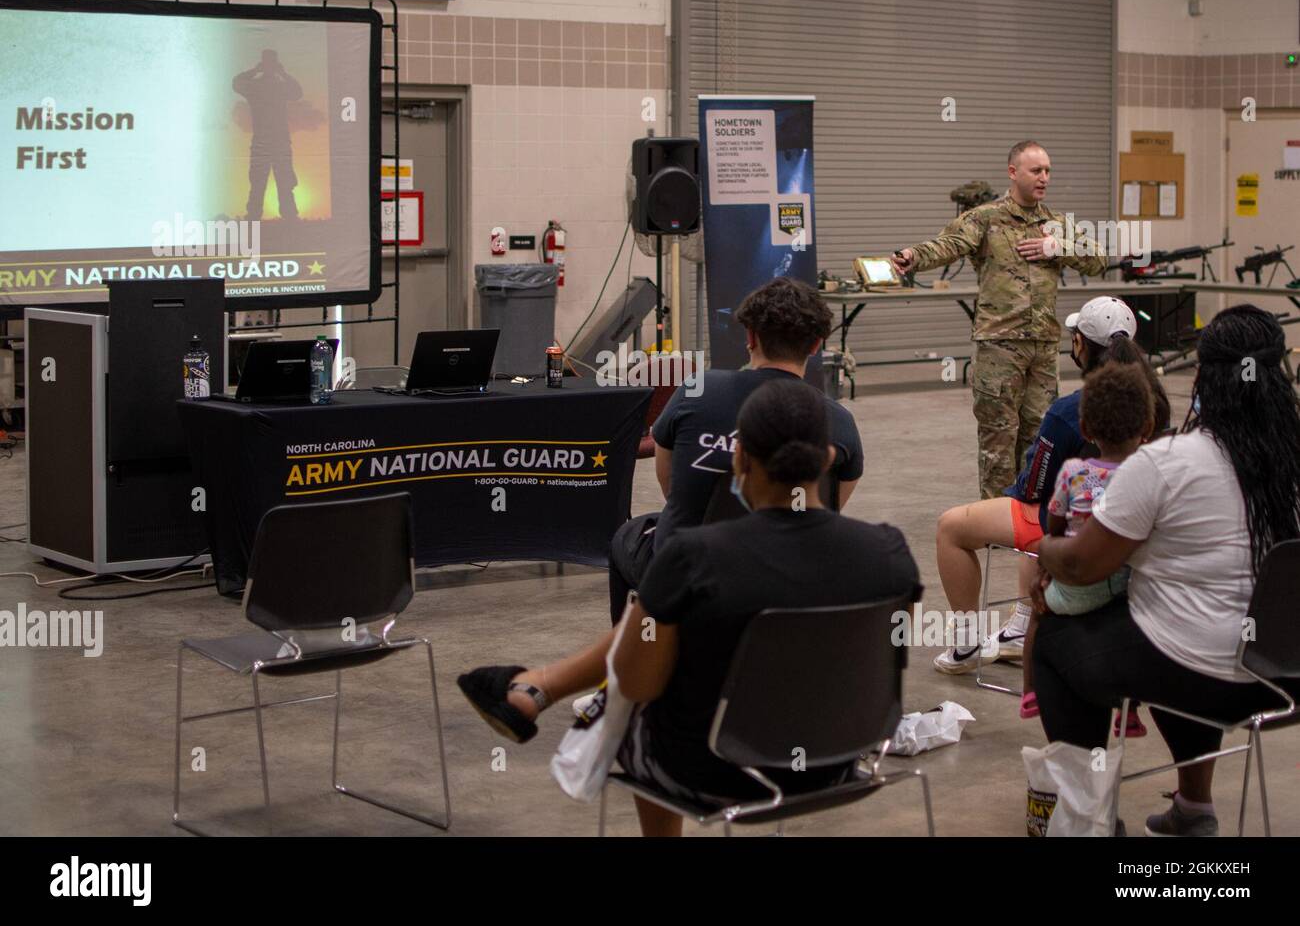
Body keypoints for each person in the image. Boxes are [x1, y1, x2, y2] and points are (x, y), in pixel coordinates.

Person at [457, 379, 922, 837]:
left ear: (739, 460)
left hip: (711, 773)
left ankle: (536, 688)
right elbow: (882, 660)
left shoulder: (696, 556)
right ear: (826, 461)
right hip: (840, 761)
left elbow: (636, 684)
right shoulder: (889, 552)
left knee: (646, 674)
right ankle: (537, 687)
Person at [1034, 305, 1300, 836]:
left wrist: (1044, 549)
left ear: (1203, 379)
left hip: (1198, 677)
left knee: (1058, 640)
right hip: (1284, 676)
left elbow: (1084, 566)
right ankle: (1192, 809)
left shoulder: (1168, 462)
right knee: (1184, 629)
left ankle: (1090, 817)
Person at [930, 297, 1170, 674]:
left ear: (1080, 345)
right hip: (1135, 520)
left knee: (952, 526)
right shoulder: (1158, 400)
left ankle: (966, 644)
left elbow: (1035, 488)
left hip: (1079, 527)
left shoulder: (1069, 410)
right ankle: (1020, 624)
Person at [606, 277, 863, 624]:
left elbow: (673, 490)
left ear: (750, 337)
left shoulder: (696, 390)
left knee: (626, 535)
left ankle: (634, 662)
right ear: (817, 345)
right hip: (784, 575)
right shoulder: (840, 423)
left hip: (686, 573)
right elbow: (823, 510)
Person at [893, 141, 1109, 500]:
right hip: (999, 347)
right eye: (1036, 171)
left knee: (1041, 438)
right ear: (1013, 172)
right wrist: (913, 255)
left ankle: (1030, 514)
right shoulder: (985, 218)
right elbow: (948, 244)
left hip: (1041, 347)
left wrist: (1056, 248)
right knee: (998, 438)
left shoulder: (1056, 224)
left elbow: (1099, 257)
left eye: (1048, 171)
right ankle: (994, 521)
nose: (1044, 178)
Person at [1019, 361, 1153, 740]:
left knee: (1037, 612)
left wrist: (1053, 551)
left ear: (1085, 429)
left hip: (1074, 593)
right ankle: (1128, 713)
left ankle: (1030, 691)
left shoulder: (1074, 471)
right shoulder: (1148, 472)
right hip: (1126, 592)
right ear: (1146, 427)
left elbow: (1055, 523)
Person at [233, 48, 302, 220]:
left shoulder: (258, 86)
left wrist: (256, 71)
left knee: (272, 182)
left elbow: (237, 83)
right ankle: (285, 216)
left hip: (270, 142)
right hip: (274, 142)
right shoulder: (275, 86)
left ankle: (280, 215)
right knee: (266, 182)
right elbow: (297, 92)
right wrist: (281, 73)